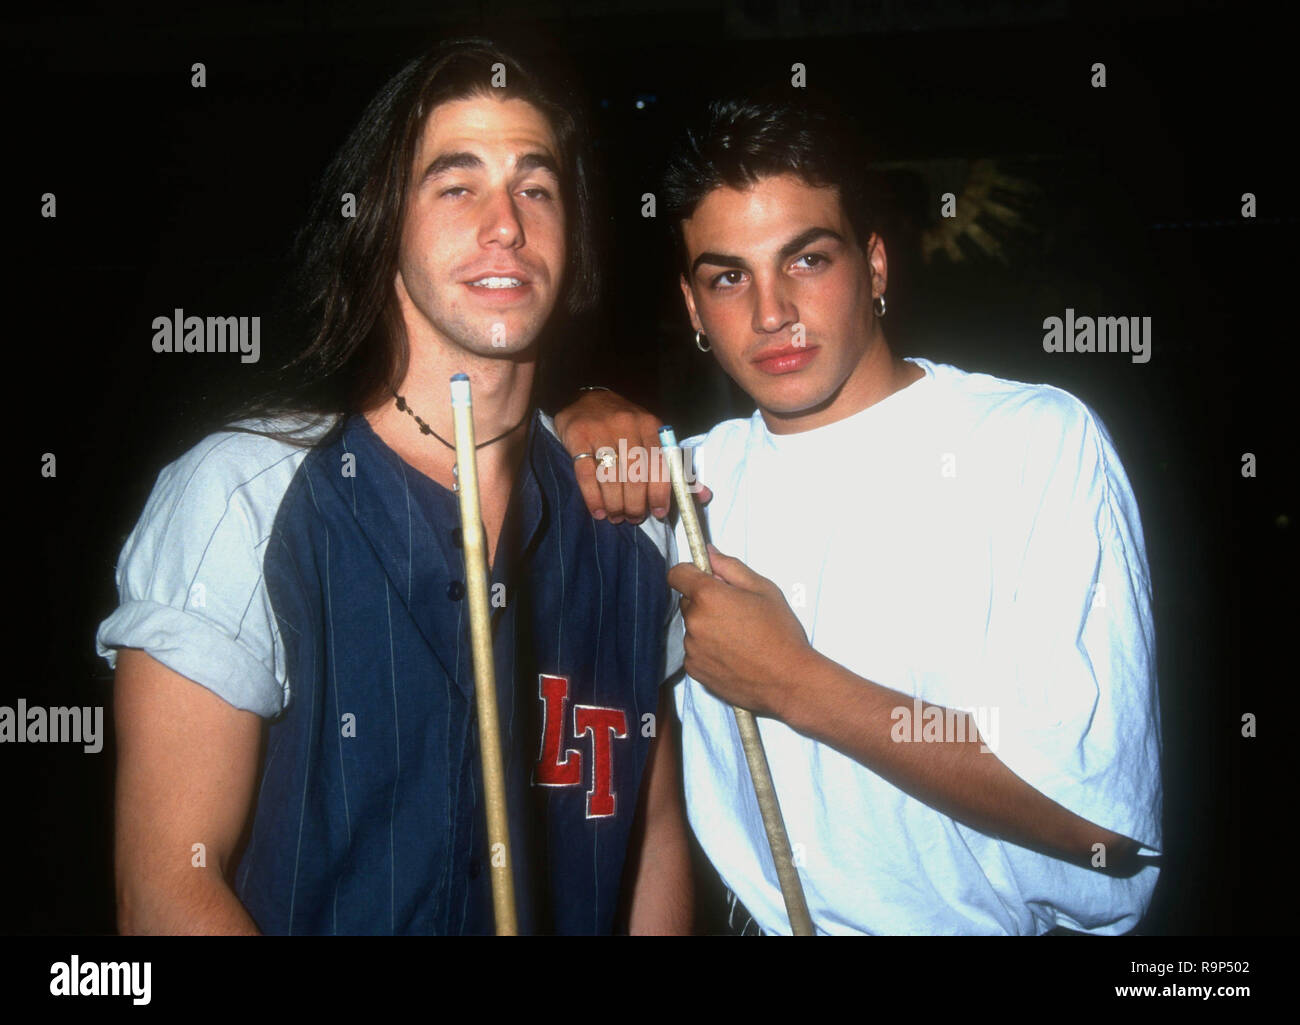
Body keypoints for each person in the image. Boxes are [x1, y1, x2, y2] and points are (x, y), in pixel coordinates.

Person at [96, 37, 693, 936]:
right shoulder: (244, 498)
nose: (507, 224)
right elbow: (169, 887)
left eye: (537, 187)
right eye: (457, 185)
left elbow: (651, 839)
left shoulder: (636, 521)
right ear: (381, 224)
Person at [654, 94, 1162, 935]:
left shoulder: (1029, 442)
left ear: (877, 265)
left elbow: (1102, 827)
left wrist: (797, 682)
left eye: (808, 260)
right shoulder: (683, 479)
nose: (771, 311)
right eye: (728, 276)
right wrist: (589, 406)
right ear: (693, 306)